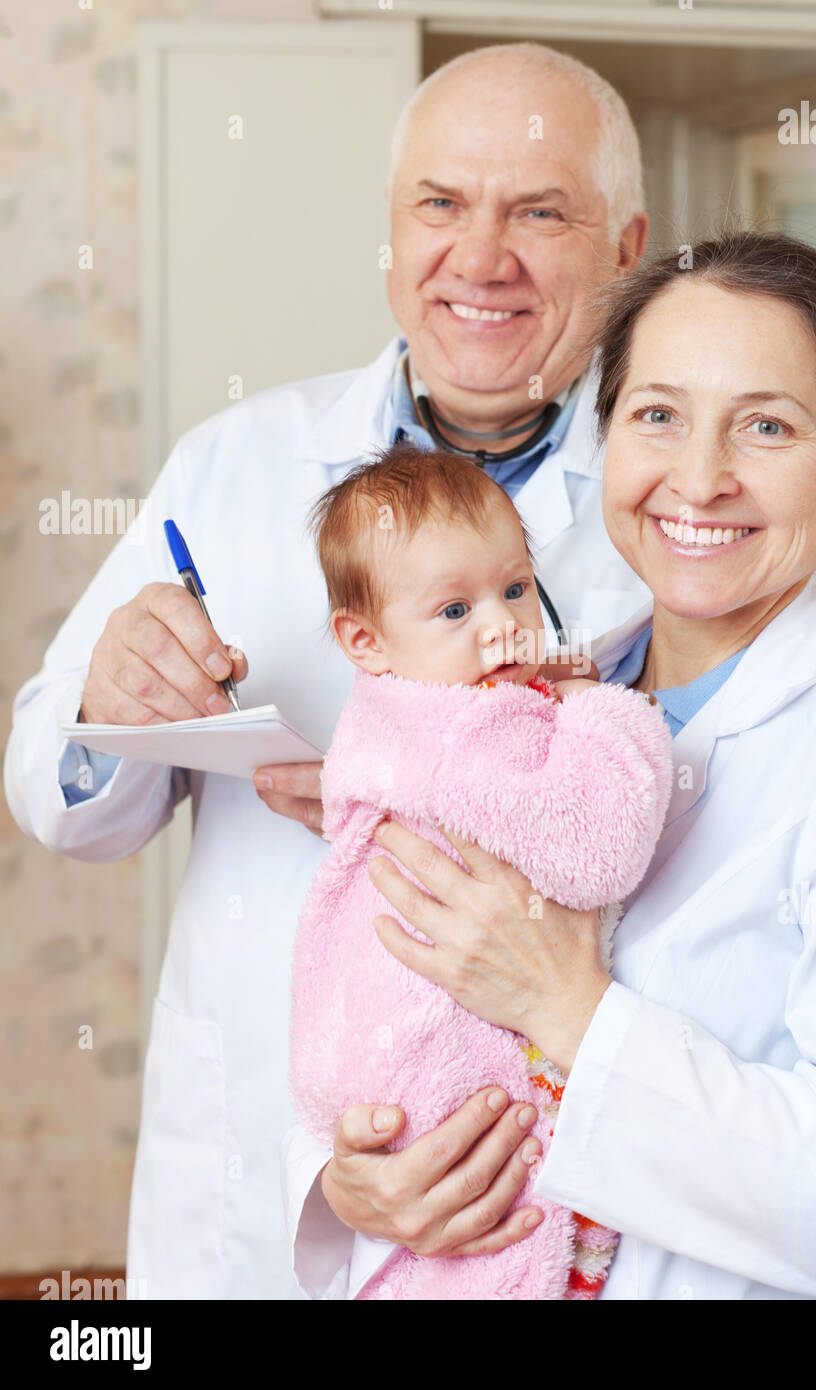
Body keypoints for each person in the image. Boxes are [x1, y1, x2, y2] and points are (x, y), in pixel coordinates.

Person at [2, 43, 651, 1299]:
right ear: (392, 229)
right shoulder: (236, 464)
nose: (480, 258)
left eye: (538, 212)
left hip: (520, 1189)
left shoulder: (663, 509)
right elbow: (51, 786)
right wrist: (103, 704)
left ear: (624, 246)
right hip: (253, 1194)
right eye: (440, 204)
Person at [292, 231, 816, 1300]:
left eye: (766, 426)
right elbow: (367, 1003)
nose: (697, 478)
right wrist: (354, 1185)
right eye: (657, 416)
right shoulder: (509, 702)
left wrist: (571, 1008)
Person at [289, 444, 672, 1299]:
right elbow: (596, 847)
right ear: (366, 642)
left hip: (376, 1072)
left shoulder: (402, 712)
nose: (500, 624)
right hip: (437, 1067)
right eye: (455, 608)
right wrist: (610, 718)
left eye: (514, 588)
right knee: (492, 1235)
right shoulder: (455, 736)